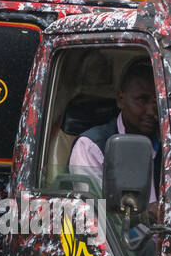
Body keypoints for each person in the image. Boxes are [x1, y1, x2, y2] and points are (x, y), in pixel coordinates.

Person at [67, 58, 159, 201]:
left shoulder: (170, 143)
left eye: (157, 102)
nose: (151, 111)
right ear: (121, 100)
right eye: (142, 100)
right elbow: (95, 210)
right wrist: (144, 215)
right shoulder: (91, 146)